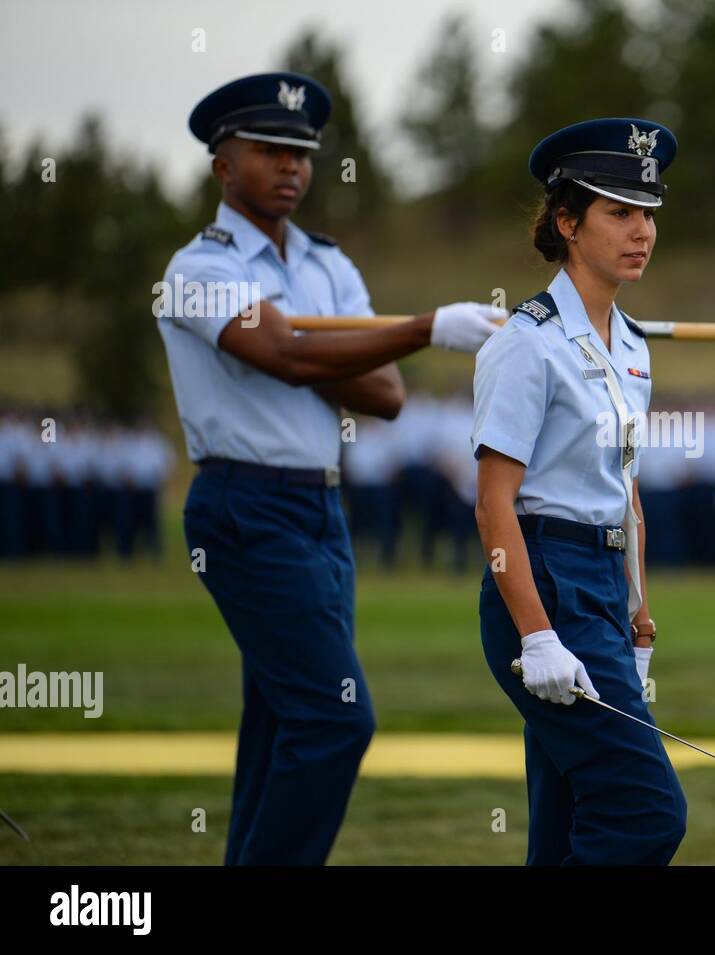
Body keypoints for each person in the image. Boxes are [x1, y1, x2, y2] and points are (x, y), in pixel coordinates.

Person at [158, 72, 505, 865]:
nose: (291, 167)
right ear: (222, 166)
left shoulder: (324, 265)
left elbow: (383, 395)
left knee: (283, 718)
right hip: (243, 505)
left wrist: (314, 351)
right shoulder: (199, 268)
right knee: (335, 719)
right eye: (270, 150)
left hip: (319, 507)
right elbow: (278, 353)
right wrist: (419, 328)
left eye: (303, 154)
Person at [473, 117, 687, 865]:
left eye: (649, 213)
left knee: (567, 822)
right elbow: (494, 501)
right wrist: (535, 633)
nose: (642, 231)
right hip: (544, 583)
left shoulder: (630, 344)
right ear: (567, 222)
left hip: (601, 587)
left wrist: (640, 616)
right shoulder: (525, 342)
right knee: (646, 809)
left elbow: (625, 491)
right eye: (619, 212)